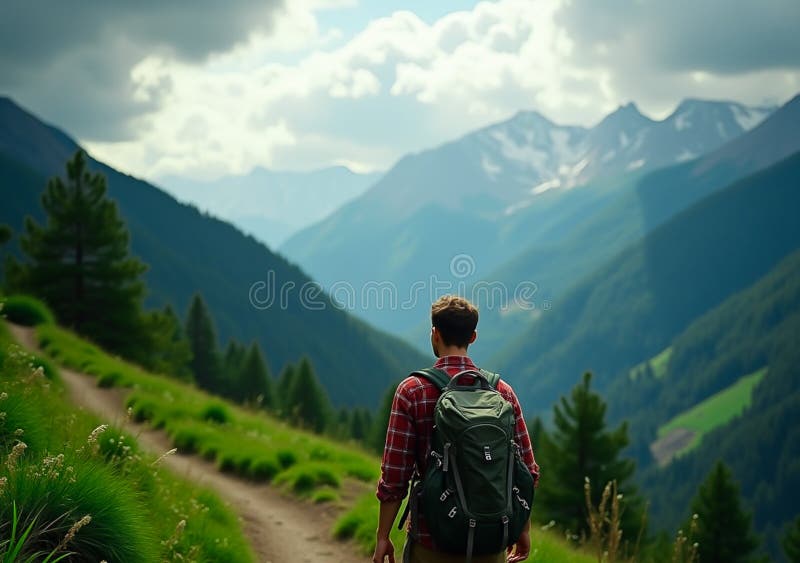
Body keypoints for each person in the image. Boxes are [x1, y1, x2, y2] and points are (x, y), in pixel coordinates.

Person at [373, 295, 540, 563]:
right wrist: (522, 528)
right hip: (491, 540)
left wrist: (383, 536)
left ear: (434, 334)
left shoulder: (412, 392)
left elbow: (394, 477)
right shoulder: (501, 392)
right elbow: (526, 470)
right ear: (473, 337)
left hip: (432, 541)